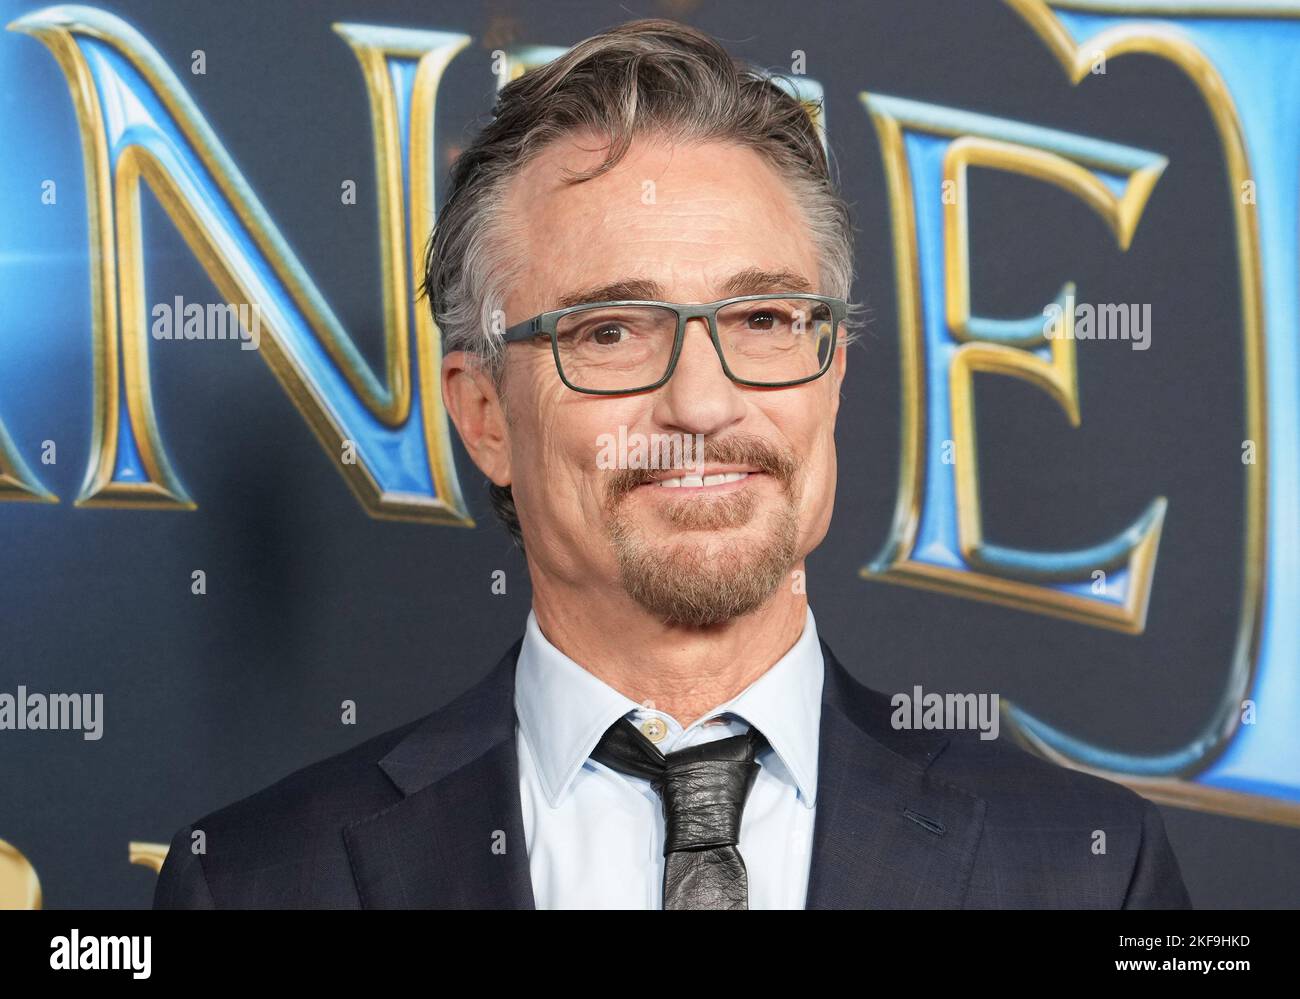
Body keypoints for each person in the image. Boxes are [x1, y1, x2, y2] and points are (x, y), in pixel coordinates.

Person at [154, 17, 1191, 910]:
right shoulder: (258, 883)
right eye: (610, 332)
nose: (701, 403)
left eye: (765, 318)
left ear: (831, 380)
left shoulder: (1087, 872)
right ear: (482, 415)